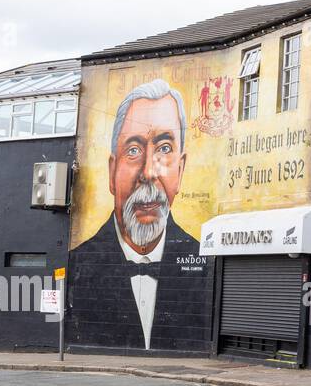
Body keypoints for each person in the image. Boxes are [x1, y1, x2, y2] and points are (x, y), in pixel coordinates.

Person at [66, 80, 210, 351]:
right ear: (112, 171)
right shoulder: (79, 263)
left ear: (180, 170)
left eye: (164, 148)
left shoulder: (209, 266)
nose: (148, 172)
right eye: (133, 150)